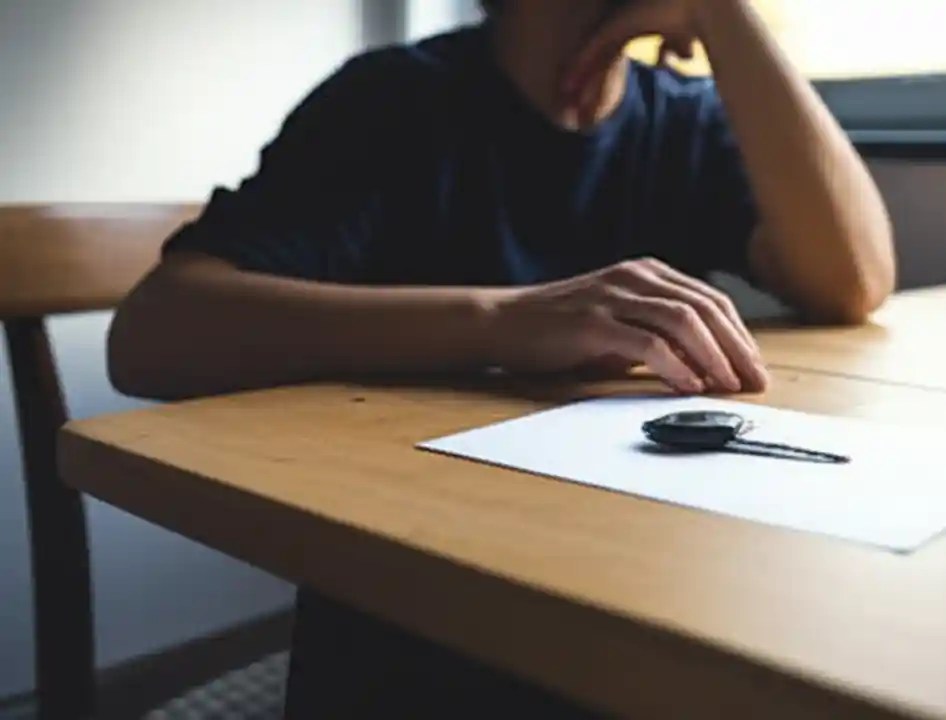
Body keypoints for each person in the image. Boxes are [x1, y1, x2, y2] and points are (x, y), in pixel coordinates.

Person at [109, 0, 896, 714]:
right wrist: (503, 319)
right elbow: (153, 333)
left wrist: (727, 17)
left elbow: (852, 282)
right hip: (420, 639)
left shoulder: (683, 116)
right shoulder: (393, 101)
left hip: (645, 607)